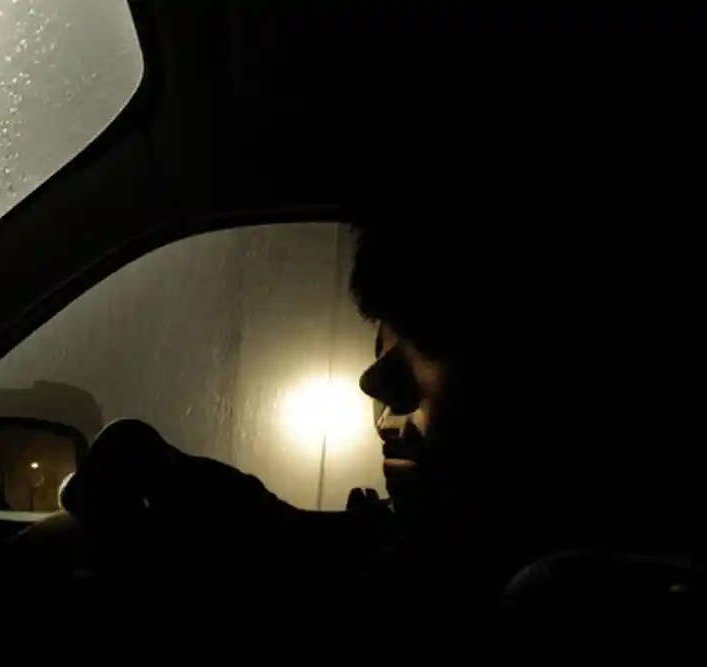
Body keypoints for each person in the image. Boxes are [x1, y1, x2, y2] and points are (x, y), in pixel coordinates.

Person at [58, 196, 699, 627]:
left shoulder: (568, 601)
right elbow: (314, 550)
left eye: (428, 334)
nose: (374, 381)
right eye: (381, 337)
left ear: (549, 363)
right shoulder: (449, 546)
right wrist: (175, 478)